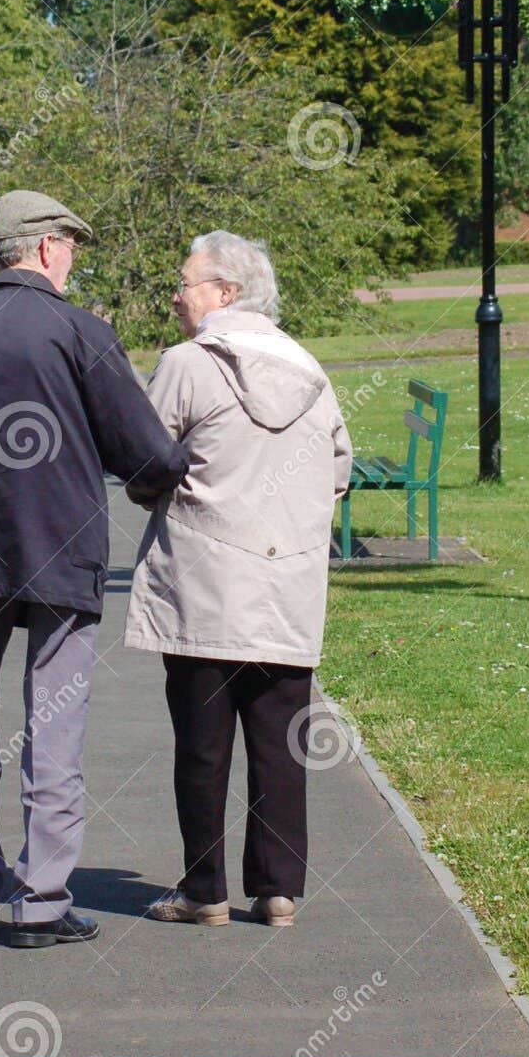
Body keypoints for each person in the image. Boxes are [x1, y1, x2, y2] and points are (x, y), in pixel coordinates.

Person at [0, 191, 190, 948]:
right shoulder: (81, 333)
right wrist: (156, 484)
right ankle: (41, 900)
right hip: (62, 554)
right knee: (55, 730)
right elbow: (148, 454)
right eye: (72, 245)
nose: (74, 257)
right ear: (46, 246)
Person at [125, 231, 352, 928]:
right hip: (287, 580)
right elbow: (338, 471)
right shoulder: (310, 371)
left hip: (203, 578)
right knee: (279, 741)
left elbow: (147, 459)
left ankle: (204, 892)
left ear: (224, 293)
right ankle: (277, 889)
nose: (175, 294)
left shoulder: (187, 365)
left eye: (185, 281)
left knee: (202, 743)